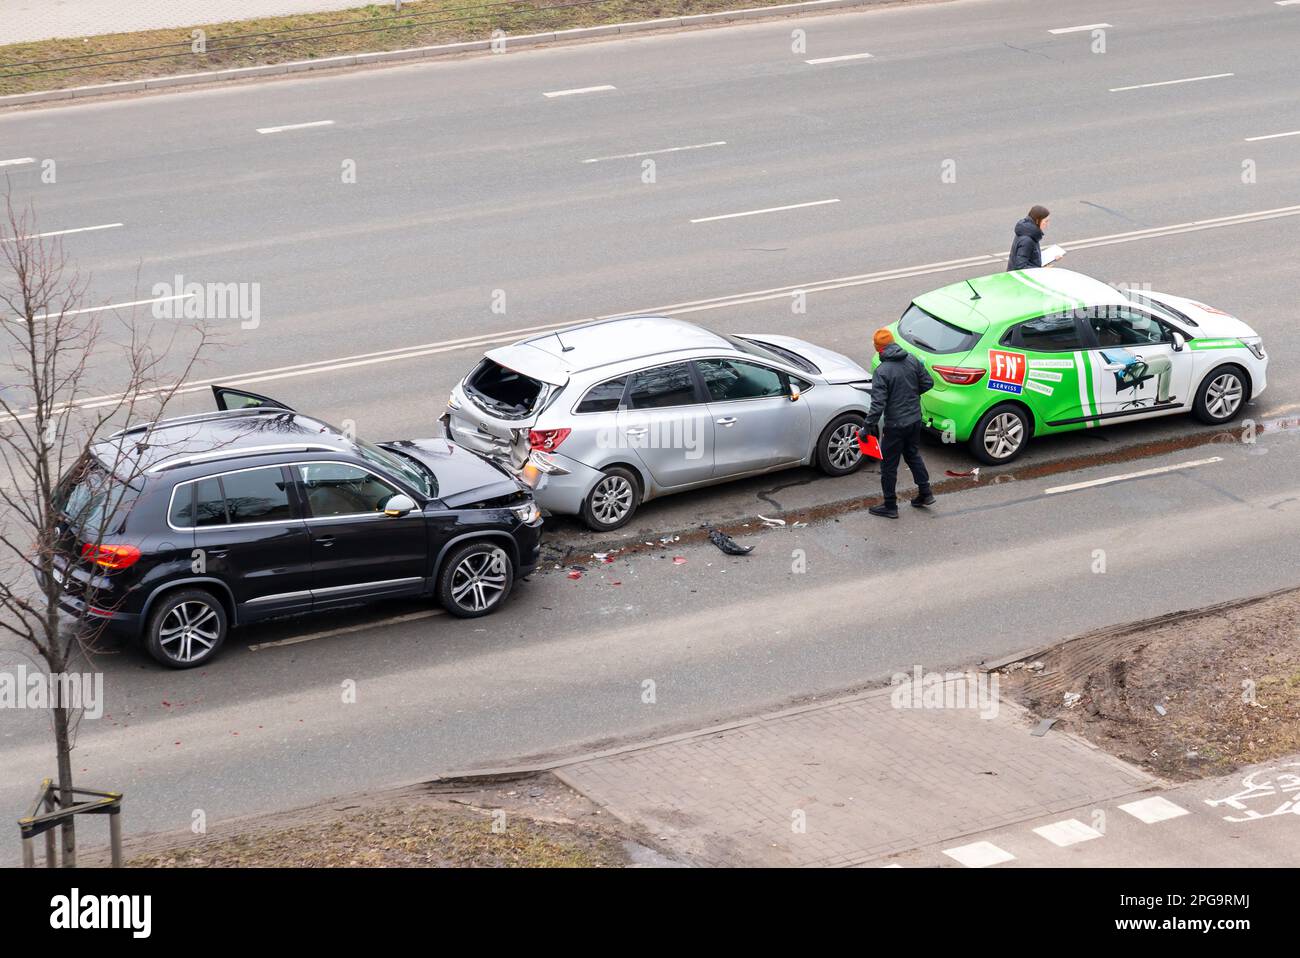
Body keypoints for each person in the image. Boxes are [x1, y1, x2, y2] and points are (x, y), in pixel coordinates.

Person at [864, 328, 935, 519]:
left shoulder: (882, 371)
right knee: (913, 455)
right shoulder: (911, 359)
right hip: (914, 420)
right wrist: (910, 395)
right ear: (894, 343)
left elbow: (878, 405)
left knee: (889, 466)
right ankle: (925, 493)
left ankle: (890, 506)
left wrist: (866, 427)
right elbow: (928, 383)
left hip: (895, 425)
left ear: (879, 350)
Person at [1008, 205, 1050, 271]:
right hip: (1020, 279)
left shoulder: (1028, 231)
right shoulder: (1027, 240)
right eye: (1046, 221)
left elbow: (1029, 257)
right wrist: (1042, 270)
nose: (1047, 224)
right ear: (1037, 221)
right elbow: (1020, 267)